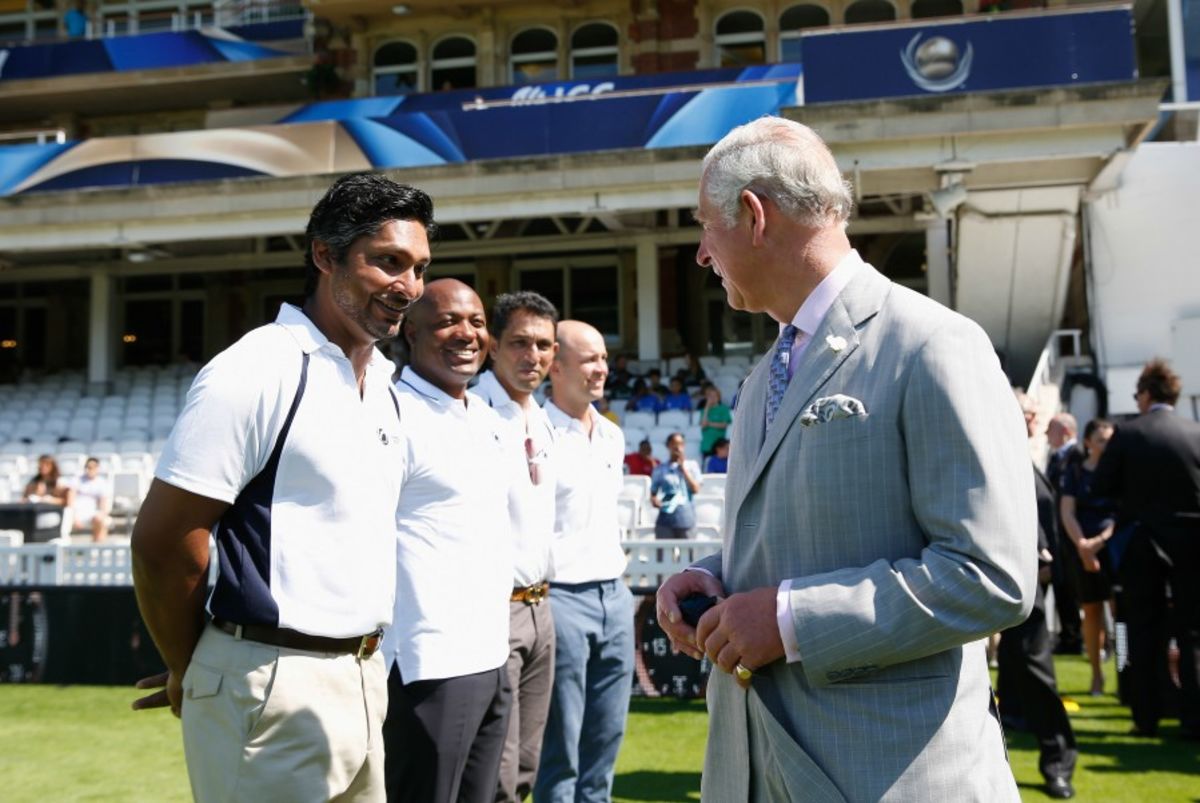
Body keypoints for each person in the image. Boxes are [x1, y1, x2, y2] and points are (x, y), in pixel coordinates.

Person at [656, 117, 1035, 801]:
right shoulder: (759, 379)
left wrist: (791, 620)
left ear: (753, 214)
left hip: (889, 770)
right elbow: (800, 544)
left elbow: (991, 574)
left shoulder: (933, 343)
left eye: (705, 227)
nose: (702, 254)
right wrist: (712, 581)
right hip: (755, 762)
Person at [130, 173, 432, 803]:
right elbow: (164, 541)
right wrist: (198, 666)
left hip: (363, 675)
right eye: (388, 262)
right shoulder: (257, 367)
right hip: (268, 679)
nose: (408, 287)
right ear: (325, 255)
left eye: (419, 268)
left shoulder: (384, 381)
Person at [384, 279, 518, 803]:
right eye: (447, 322)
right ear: (410, 333)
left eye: (478, 322)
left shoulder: (485, 416)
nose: (467, 333)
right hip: (429, 662)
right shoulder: (390, 413)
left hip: (490, 652)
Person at [534, 320, 634, 803]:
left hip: (614, 596)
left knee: (605, 742)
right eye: (590, 358)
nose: (602, 368)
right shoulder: (533, 434)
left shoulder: (613, 435)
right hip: (561, 598)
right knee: (561, 751)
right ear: (555, 365)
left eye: (604, 358)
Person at [472, 291, 560, 803]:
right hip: (492, 608)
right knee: (496, 766)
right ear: (492, 347)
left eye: (544, 345)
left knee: (527, 762)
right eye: (520, 343)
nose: (534, 357)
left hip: (540, 606)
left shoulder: (541, 414)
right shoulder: (470, 409)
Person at [1093, 359, 1200, 740]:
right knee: (1192, 633)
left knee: (1142, 631)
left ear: (1147, 393)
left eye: (1137, 393)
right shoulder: (1195, 432)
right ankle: (1193, 718)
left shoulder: (1128, 432)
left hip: (1142, 541)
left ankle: (1147, 716)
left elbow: (1101, 486)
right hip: (1190, 543)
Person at [996, 393, 1078, 800]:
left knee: (1024, 664)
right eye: (1027, 413)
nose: (1033, 420)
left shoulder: (1016, 451)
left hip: (1026, 580)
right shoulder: (997, 448)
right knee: (1032, 666)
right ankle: (1057, 759)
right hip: (1012, 581)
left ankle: (1053, 759)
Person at [1059, 418, 1118, 696]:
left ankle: (1125, 671)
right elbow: (1067, 511)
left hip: (1114, 549)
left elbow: (1123, 513)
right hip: (1082, 553)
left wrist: (1099, 542)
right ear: (1088, 442)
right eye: (1101, 440)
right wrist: (1083, 545)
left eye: (1109, 440)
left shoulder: (1120, 473)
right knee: (1091, 610)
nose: (1106, 446)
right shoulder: (1076, 473)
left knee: (1121, 614)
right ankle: (1097, 675)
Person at [1046, 412, 1085, 656]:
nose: (1046, 435)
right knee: (1062, 588)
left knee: (1075, 591)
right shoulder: (1056, 458)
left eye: (1051, 429)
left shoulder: (1076, 457)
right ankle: (1069, 636)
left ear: (1066, 432)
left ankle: (1076, 639)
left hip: (1072, 537)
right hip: (1059, 536)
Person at [650, 432, 701, 540]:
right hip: (665, 520)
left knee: (689, 555)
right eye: (674, 444)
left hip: (686, 519)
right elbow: (653, 493)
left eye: (681, 444)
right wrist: (654, 500)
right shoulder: (660, 469)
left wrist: (683, 469)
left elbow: (695, 489)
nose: (677, 447)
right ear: (668, 446)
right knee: (663, 555)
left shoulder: (692, 466)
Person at [69, 457, 111, 542]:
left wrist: (102, 514)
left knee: (102, 520)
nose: (91, 469)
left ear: (98, 468)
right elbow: (70, 500)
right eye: (88, 467)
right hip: (76, 512)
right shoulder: (76, 479)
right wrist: (74, 517)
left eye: (94, 467)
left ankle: (97, 546)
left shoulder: (102, 483)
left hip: (92, 512)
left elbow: (103, 503)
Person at [697, 385, 732, 456]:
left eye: (714, 396)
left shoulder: (724, 409)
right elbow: (703, 426)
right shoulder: (703, 411)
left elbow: (724, 425)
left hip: (719, 446)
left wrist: (709, 424)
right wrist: (706, 408)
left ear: (718, 397)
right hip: (706, 445)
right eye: (710, 396)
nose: (712, 398)